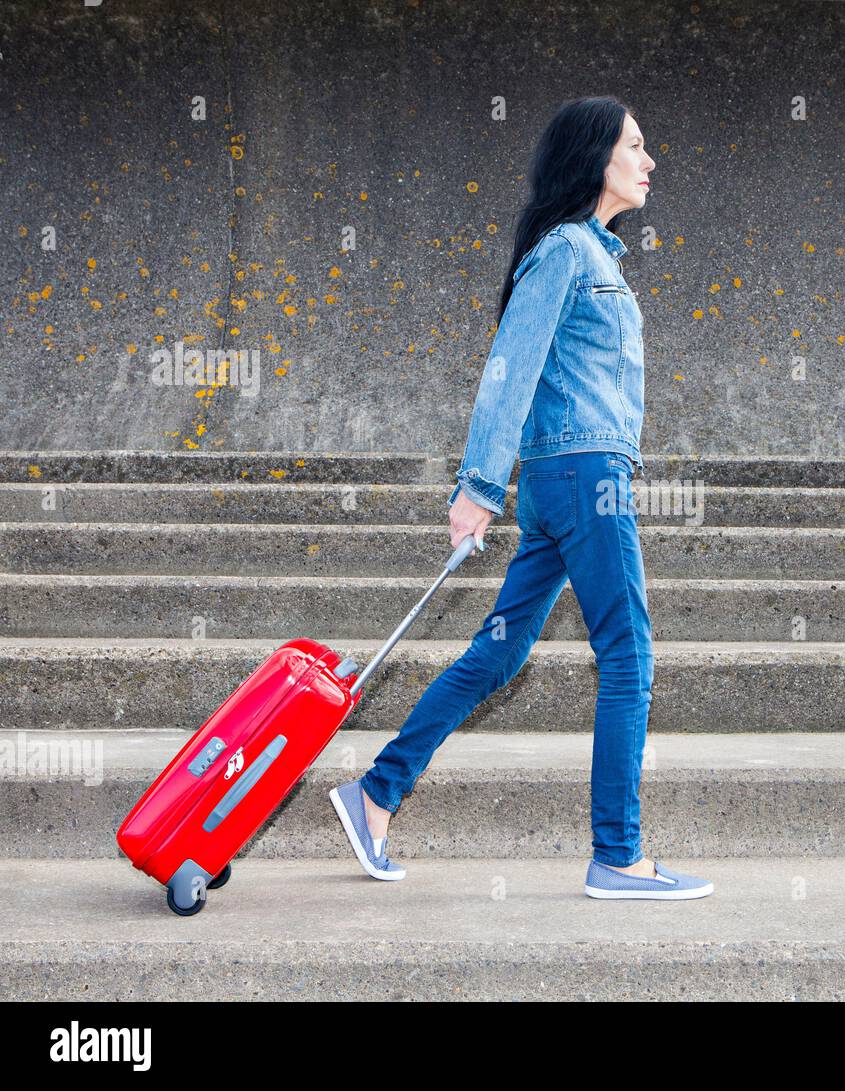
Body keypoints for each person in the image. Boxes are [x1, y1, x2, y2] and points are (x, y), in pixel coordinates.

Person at [330, 96, 713, 900]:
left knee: (500, 652)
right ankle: (619, 854)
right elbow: (510, 363)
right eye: (636, 146)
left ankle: (375, 794)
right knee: (629, 651)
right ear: (594, 157)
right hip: (582, 480)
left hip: (563, 487)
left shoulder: (596, 256)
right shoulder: (566, 252)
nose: (650, 162)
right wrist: (476, 485)